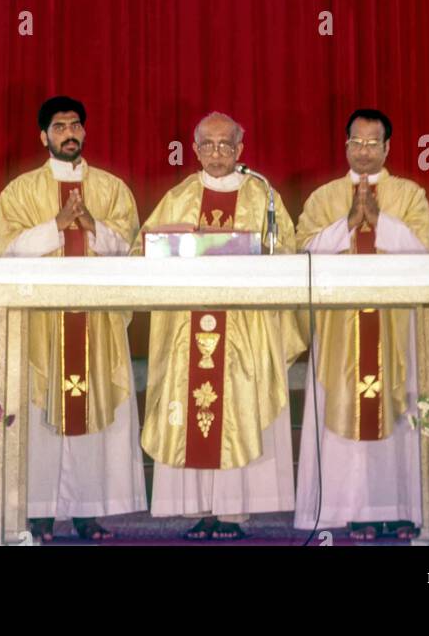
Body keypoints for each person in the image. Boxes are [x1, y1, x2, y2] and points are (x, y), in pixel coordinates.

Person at [137, 111, 303, 540]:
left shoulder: (262, 194)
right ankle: (197, 509)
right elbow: (144, 247)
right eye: (207, 145)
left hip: (245, 330)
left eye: (225, 145)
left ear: (240, 150)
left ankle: (235, 512)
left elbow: (286, 250)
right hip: (187, 325)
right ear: (194, 150)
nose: (216, 153)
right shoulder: (178, 197)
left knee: (239, 408)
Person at [0, 95, 147, 541]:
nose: (69, 133)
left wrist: (92, 226)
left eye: (75, 125)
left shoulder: (113, 189)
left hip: (94, 321)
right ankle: (37, 512)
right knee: (41, 415)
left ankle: (88, 511)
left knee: (94, 416)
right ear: (44, 136)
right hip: (43, 325)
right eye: (59, 127)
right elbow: (5, 252)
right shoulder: (20, 192)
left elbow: (133, 249)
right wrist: (56, 225)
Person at [294, 108, 429, 539]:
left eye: (372, 144)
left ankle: (398, 507)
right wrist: (347, 225)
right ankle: (344, 509)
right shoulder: (324, 198)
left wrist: (382, 222)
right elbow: (300, 250)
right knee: (341, 414)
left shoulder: (410, 195)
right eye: (356, 143)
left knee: (397, 416)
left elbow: (427, 251)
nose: (363, 152)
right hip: (341, 326)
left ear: (388, 147)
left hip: (394, 327)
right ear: (345, 146)